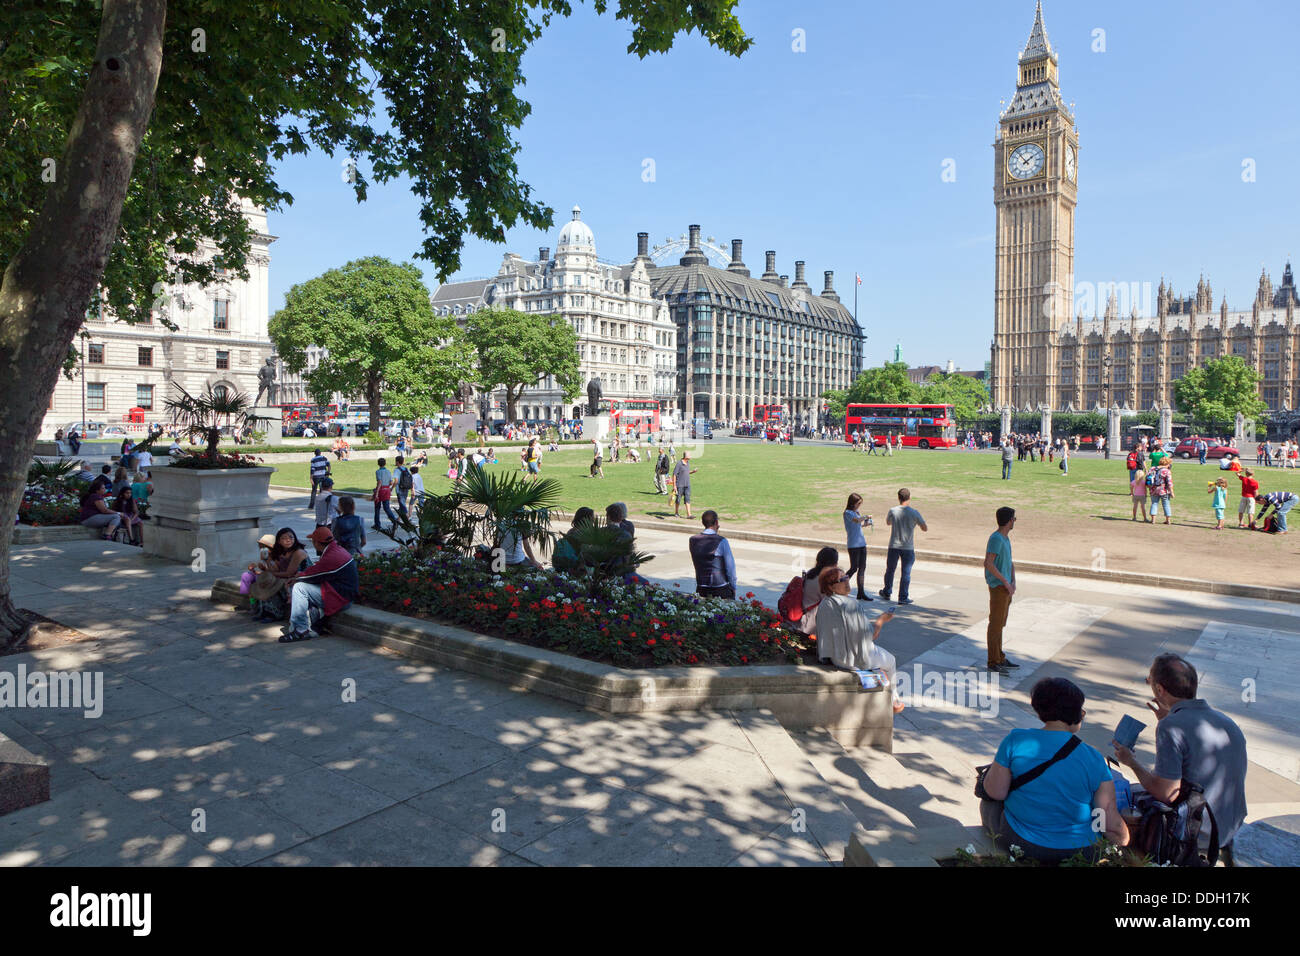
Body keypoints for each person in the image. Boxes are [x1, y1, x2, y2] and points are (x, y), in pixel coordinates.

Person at [1112, 654, 1248, 865]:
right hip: (1231, 824)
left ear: (1160, 690)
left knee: (1116, 799)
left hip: (1199, 832)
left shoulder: (1171, 727)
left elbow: (1166, 794)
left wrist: (1131, 762)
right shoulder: (1225, 721)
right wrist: (1169, 718)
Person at [981, 677, 1128, 864]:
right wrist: (1124, 839)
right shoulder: (1093, 757)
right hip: (1081, 848)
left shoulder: (1015, 740)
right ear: (1078, 713)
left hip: (1024, 843)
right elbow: (1106, 815)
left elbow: (996, 792)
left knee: (990, 802)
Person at [813, 566, 904, 714]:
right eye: (841, 580)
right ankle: (894, 699)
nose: (847, 581)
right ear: (831, 586)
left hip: (836, 658)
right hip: (856, 660)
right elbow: (870, 637)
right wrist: (881, 620)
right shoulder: (851, 604)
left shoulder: (824, 605)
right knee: (891, 660)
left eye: (847, 577)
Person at [281, 526, 359, 642]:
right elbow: (318, 571)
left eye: (313, 541)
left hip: (342, 598)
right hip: (342, 593)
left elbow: (312, 574)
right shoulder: (335, 549)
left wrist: (297, 578)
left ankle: (300, 630)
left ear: (317, 543)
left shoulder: (332, 555)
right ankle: (311, 620)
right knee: (302, 586)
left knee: (299, 588)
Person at [983, 506, 1018, 674]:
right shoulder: (996, 538)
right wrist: (1005, 581)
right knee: (995, 624)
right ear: (1008, 521)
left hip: (1006, 587)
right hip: (998, 587)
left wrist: (1013, 581)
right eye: (1014, 519)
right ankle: (993, 661)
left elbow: (1010, 562)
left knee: (1000, 624)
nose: (1014, 522)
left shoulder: (1005, 538)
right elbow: (988, 563)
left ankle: (1000, 657)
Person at [880, 487, 927, 605]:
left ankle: (887, 591)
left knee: (890, 570)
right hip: (908, 547)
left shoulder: (893, 510)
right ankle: (903, 596)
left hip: (894, 545)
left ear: (898, 498)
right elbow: (924, 528)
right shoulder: (914, 513)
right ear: (909, 498)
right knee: (906, 572)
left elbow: (888, 522)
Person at [688, 509, 736, 599]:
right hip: (720, 588)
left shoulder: (693, 540)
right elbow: (730, 568)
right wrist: (733, 587)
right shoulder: (722, 541)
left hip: (701, 587)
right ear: (716, 522)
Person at [798, 547, 840, 637]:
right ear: (834, 563)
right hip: (812, 627)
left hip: (803, 619)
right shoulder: (825, 580)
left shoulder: (811, 573)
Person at [842, 494, 872, 601]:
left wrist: (866, 523)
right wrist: (866, 517)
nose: (859, 505)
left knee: (862, 568)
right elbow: (856, 520)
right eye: (858, 503)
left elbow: (858, 524)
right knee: (854, 568)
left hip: (861, 543)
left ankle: (861, 592)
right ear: (852, 503)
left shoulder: (856, 513)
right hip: (853, 545)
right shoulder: (848, 513)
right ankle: (840, 584)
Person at [552, 507, 597, 573]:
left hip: (566, 567)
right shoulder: (585, 535)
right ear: (587, 520)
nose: (593, 521)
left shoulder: (571, 531)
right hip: (578, 569)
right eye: (592, 518)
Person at [372, 457, 398, 531]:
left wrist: (376, 493)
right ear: (385, 463)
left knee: (377, 508)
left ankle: (377, 524)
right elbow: (391, 482)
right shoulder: (388, 471)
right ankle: (394, 521)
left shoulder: (378, 472)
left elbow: (379, 482)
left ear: (378, 464)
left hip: (381, 490)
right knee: (386, 507)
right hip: (387, 490)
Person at [673, 453, 697, 519]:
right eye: (689, 455)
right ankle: (676, 512)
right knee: (678, 499)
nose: (690, 456)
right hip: (680, 485)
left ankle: (689, 515)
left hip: (687, 485)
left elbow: (686, 472)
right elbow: (674, 474)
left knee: (687, 499)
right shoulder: (679, 464)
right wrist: (674, 486)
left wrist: (693, 471)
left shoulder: (687, 463)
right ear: (686, 456)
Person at [393, 455, 414, 521]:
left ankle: (407, 517)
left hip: (400, 489)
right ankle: (399, 519)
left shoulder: (396, 470)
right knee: (402, 503)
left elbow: (396, 481)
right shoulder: (406, 469)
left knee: (402, 504)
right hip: (406, 488)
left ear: (397, 462)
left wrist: (391, 488)